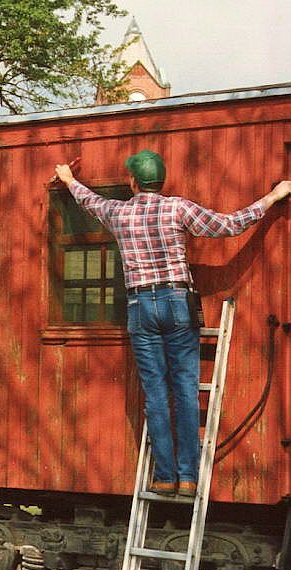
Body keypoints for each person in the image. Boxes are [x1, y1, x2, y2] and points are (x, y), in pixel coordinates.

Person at [55, 151, 290, 497]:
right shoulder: (178, 208)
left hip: (140, 306)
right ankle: (188, 477)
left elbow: (89, 201)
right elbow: (229, 225)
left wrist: (69, 180)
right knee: (184, 390)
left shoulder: (119, 212)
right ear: (160, 181)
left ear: (134, 182)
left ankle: (164, 477)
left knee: (155, 393)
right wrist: (273, 196)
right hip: (177, 303)